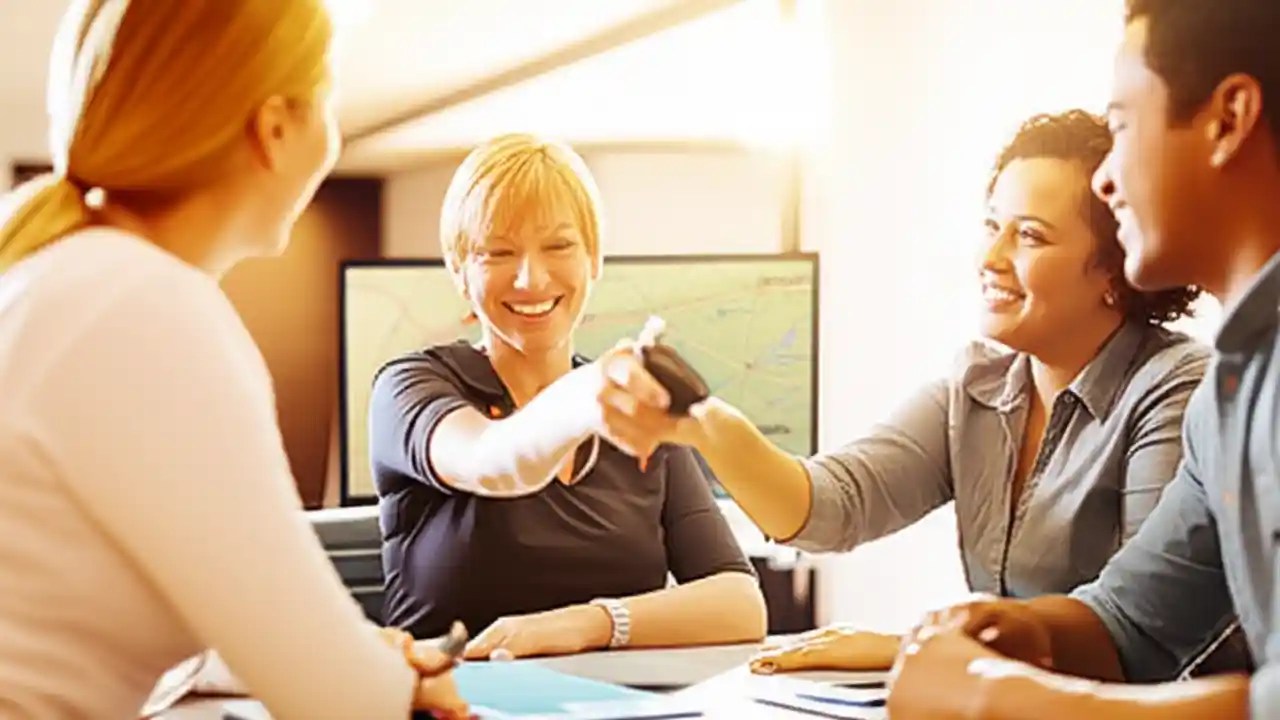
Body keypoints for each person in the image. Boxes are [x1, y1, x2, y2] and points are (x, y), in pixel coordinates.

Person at [0, 2, 466, 718]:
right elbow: (338, 701)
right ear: (274, 128)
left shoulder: (60, 277)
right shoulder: (146, 307)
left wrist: (344, 657)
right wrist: (387, 683)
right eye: (327, 104)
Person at [669, 110, 1211, 674]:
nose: (991, 259)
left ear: (1114, 270)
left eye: (1029, 236)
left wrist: (909, 647)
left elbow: (1140, 625)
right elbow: (828, 509)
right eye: (992, 226)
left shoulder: (1174, 388)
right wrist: (703, 423)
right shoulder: (978, 388)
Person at [884, 1, 1280, 718]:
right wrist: (1016, 631)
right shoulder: (1233, 387)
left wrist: (996, 696)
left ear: (1228, 120)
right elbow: (1133, 621)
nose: (1104, 181)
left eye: (1122, 127)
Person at [369, 133, 767, 659]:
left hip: (618, 699)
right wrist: (590, 396)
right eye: (498, 252)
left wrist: (590, 624)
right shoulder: (410, 387)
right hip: (457, 697)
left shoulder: (634, 411)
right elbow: (490, 460)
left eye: (558, 246)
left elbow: (740, 603)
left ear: (594, 257)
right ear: (459, 271)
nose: (531, 278)